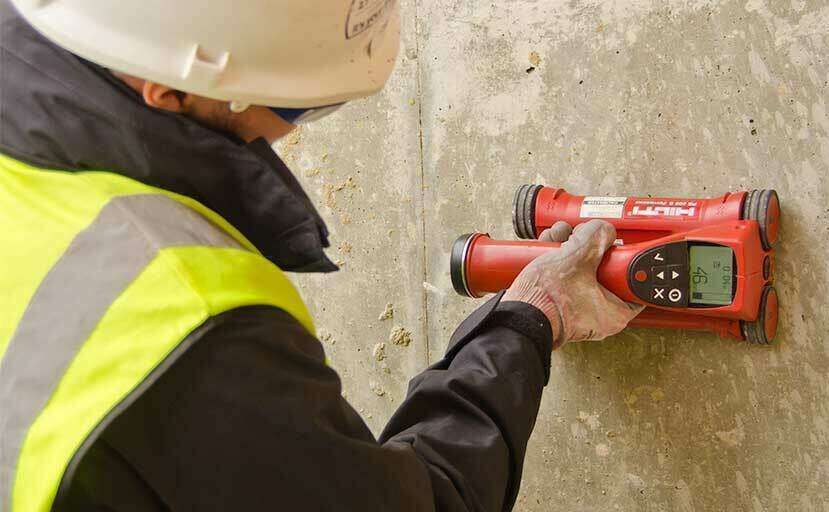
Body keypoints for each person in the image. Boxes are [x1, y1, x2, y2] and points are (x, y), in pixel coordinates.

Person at [0, 1, 643, 511]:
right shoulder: (184, 325)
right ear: (164, 90)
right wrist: (530, 320)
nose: (295, 126)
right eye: (301, 104)